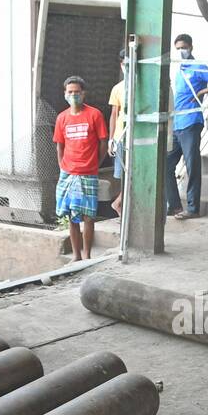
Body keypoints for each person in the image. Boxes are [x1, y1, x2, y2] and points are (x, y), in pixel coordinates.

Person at [166, 33, 208, 219]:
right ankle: (175, 206)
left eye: (183, 47)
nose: (180, 51)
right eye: (177, 48)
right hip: (176, 123)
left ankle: (193, 208)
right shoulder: (179, 69)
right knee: (166, 165)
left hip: (191, 122)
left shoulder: (197, 67)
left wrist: (203, 91)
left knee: (192, 165)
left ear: (191, 47)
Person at [54, 75, 108, 261]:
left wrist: (96, 163)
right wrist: (62, 165)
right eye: (70, 92)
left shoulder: (95, 115)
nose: (74, 95)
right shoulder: (62, 118)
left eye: (77, 92)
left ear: (83, 94)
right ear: (65, 94)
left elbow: (103, 142)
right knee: (71, 216)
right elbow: (59, 145)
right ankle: (76, 257)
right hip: (68, 174)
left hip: (88, 173)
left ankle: (87, 256)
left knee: (88, 216)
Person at [108, 50, 127, 218]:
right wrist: (111, 139)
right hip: (121, 136)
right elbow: (115, 114)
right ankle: (120, 203)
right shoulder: (118, 88)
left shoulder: (144, 85)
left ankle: (119, 202)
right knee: (123, 174)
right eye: (124, 64)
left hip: (138, 138)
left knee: (134, 174)